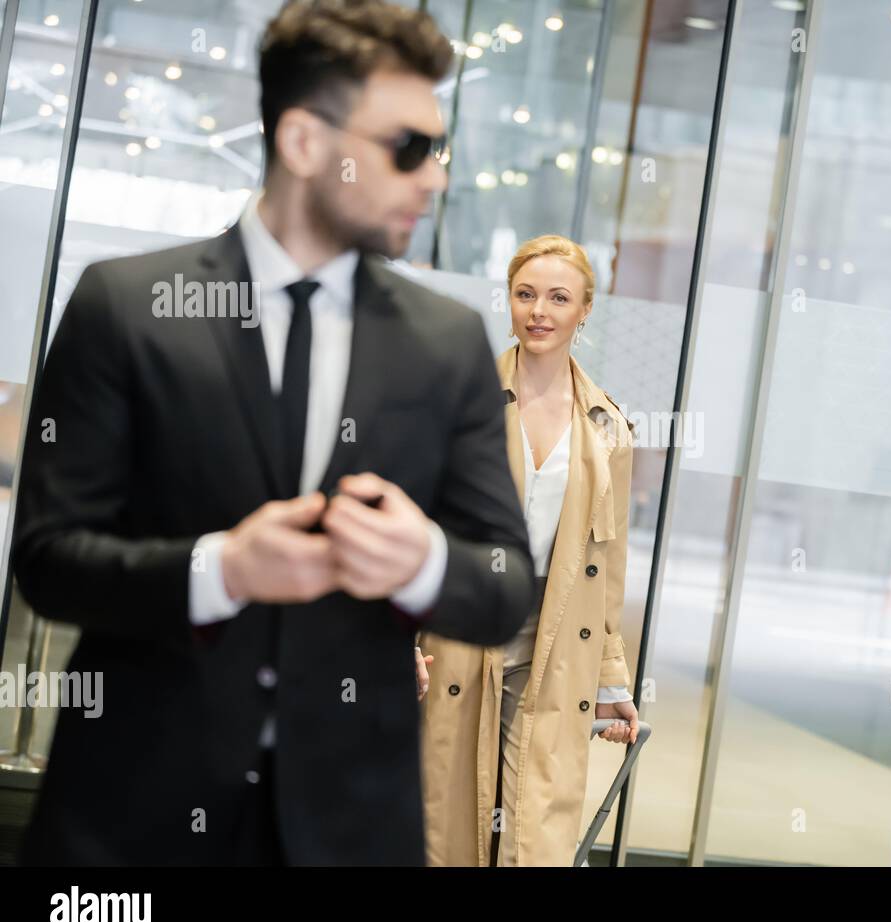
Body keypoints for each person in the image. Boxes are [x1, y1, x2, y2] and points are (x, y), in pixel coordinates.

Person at [11, 0, 533, 865]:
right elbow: (49, 560)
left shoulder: (447, 345)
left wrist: (424, 562)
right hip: (129, 825)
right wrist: (223, 570)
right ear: (302, 143)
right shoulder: (129, 308)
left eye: (436, 151)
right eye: (408, 149)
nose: (434, 178)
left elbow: (506, 583)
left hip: (352, 828)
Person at [416, 235, 637, 867]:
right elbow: (418, 525)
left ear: (585, 309)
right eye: (525, 294)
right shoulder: (463, 401)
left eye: (558, 298)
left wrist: (612, 675)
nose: (539, 311)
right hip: (462, 626)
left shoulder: (607, 427)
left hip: (558, 635)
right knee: (449, 818)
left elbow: (608, 563)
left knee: (534, 832)